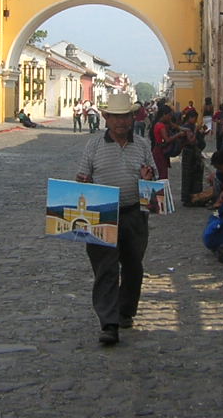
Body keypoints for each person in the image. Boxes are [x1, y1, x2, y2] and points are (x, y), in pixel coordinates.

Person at [75, 92, 157, 346]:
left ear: (133, 118)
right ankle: (108, 323)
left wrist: (148, 176)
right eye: (116, 117)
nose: (121, 122)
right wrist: (85, 183)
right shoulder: (94, 146)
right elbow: (82, 177)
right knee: (106, 269)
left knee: (134, 267)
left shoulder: (143, 145)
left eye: (126, 117)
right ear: (106, 118)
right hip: (101, 214)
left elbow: (152, 178)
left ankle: (125, 311)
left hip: (134, 213)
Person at [150, 104, 185, 181]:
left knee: (162, 172)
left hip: (159, 150)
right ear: (164, 115)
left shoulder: (161, 123)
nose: (170, 118)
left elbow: (176, 126)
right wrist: (178, 135)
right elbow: (167, 139)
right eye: (169, 115)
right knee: (162, 174)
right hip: (160, 151)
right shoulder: (161, 126)